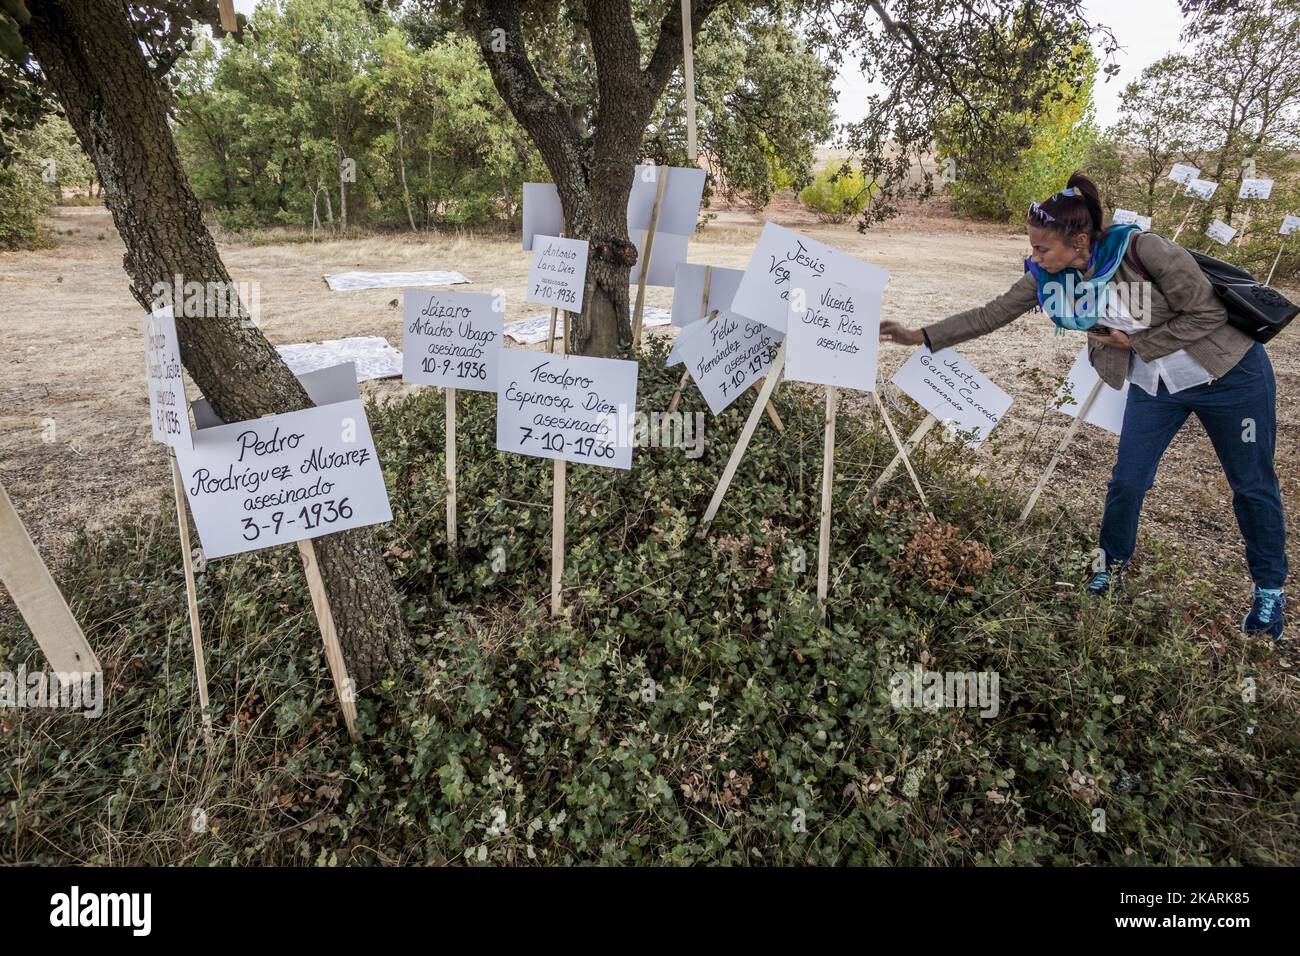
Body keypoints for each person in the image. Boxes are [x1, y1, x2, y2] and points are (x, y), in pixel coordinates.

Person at [880, 172, 1288, 640]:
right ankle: (1109, 568)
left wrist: (1134, 341)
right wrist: (921, 336)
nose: (1034, 258)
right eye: (1032, 248)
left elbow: (1206, 312)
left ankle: (1269, 591)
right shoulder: (1052, 276)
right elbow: (992, 313)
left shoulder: (1144, 251)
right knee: (1127, 482)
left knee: (1251, 485)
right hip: (1156, 386)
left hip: (1228, 374)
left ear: (1078, 241)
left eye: (1041, 250)